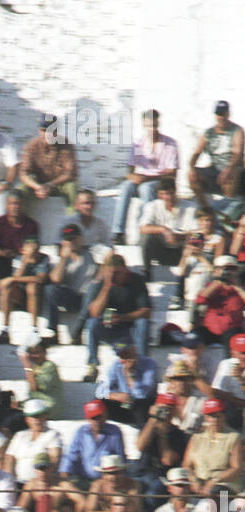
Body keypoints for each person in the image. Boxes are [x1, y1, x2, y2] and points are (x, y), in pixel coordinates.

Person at [112, 109, 180, 244]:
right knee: (125, 187)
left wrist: (147, 178)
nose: (152, 129)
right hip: (142, 179)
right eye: (149, 126)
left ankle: (146, 231)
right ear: (144, 125)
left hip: (160, 182)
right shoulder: (138, 144)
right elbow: (129, 170)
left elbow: (172, 173)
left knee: (146, 188)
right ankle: (118, 232)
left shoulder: (170, 144)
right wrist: (133, 177)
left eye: (154, 125)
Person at [83, 254, 150, 380]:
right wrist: (107, 287)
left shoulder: (136, 280)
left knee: (143, 323)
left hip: (131, 328)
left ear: (125, 270)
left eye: (117, 273)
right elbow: (94, 313)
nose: (114, 276)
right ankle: (92, 365)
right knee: (92, 323)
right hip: (112, 329)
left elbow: (146, 311)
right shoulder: (102, 283)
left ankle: (141, 364)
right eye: (110, 272)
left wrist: (123, 317)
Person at [41, 223, 95, 346]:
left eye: (74, 238)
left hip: (89, 297)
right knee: (50, 289)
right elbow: (55, 280)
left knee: (94, 289)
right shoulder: (60, 258)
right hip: (72, 297)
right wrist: (64, 259)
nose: (71, 242)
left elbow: (110, 255)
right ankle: (53, 331)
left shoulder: (91, 253)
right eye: (68, 239)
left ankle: (79, 331)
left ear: (80, 238)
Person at [0, 235, 51, 344]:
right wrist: (24, 262)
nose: (33, 249)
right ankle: (5, 329)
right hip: (19, 295)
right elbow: (15, 278)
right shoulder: (19, 259)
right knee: (7, 289)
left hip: (37, 296)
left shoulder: (44, 258)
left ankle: (34, 329)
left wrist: (12, 279)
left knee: (31, 286)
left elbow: (40, 279)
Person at [18, 114, 78, 215]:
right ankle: (18, 223)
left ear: (56, 132)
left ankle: (74, 221)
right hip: (38, 186)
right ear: (39, 131)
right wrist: (37, 187)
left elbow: (70, 173)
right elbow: (23, 174)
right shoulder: (31, 146)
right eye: (44, 130)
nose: (47, 134)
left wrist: (50, 185)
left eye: (51, 131)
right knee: (19, 191)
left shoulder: (66, 145)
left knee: (71, 187)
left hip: (58, 185)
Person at [182, 398, 243, 495]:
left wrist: (214, 481)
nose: (215, 420)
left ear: (224, 416)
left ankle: (220, 509)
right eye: (211, 416)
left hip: (225, 484)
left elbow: (236, 468)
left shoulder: (234, 437)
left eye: (218, 416)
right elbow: (186, 465)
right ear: (206, 418)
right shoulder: (196, 438)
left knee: (218, 495)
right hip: (199, 482)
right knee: (179, 490)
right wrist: (193, 480)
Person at [188, 101, 243, 205]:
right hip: (214, 167)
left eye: (223, 114)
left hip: (232, 167)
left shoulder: (237, 130)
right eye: (218, 114)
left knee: (231, 176)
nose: (220, 117)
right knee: (192, 176)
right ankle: (204, 207)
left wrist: (228, 170)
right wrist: (192, 167)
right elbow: (196, 152)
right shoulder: (209, 132)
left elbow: (238, 153)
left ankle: (227, 209)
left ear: (228, 114)